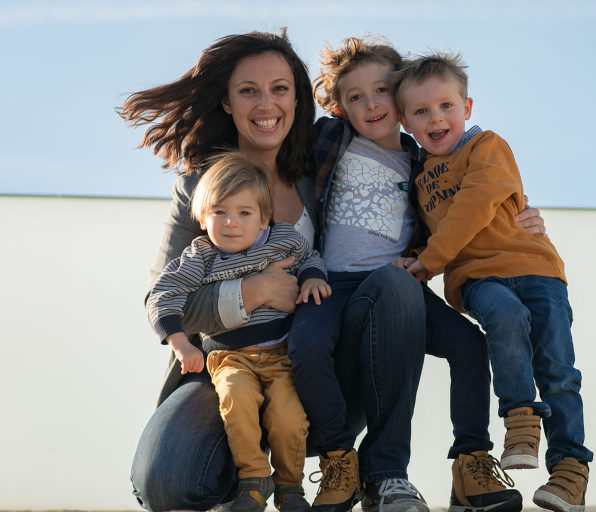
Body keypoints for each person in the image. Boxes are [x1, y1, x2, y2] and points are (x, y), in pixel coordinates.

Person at [120, 30, 547, 512]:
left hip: (335, 358)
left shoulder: (321, 159)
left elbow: (455, 186)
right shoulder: (202, 186)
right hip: (232, 361)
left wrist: (514, 217)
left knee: (400, 290)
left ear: (298, 99)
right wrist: (254, 291)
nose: (266, 104)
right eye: (248, 91)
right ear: (227, 102)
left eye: (280, 89)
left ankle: (399, 472)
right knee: (169, 480)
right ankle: (244, 473)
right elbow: (164, 297)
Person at [293, 36, 520, 512]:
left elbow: (474, 201)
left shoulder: (426, 163)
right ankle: (339, 460)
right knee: (306, 347)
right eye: (356, 97)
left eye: (381, 91)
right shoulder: (332, 139)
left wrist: (522, 213)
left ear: (401, 99)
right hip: (333, 281)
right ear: (340, 108)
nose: (371, 104)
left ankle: (471, 462)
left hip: (397, 282)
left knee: (470, 344)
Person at [394, 53, 594, 512]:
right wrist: (416, 257)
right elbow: (430, 232)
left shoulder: (487, 146)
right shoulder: (419, 179)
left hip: (537, 270)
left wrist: (429, 262)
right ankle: (520, 417)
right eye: (421, 111)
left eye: (446, 106)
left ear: (467, 107)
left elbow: (475, 204)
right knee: (504, 315)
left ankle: (570, 470)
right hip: (478, 277)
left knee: (558, 369)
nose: (436, 118)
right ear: (405, 122)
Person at [146, 151, 331, 512]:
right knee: (237, 403)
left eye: (244, 213)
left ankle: (290, 487)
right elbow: (163, 295)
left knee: (289, 418)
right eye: (220, 212)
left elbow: (310, 258)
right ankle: (254, 479)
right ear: (203, 217)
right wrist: (181, 344)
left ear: (263, 218)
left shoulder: (282, 239)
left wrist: (312, 279)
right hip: (230, 358)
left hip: (281, 356)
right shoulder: (200, 256)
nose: (231, 223)